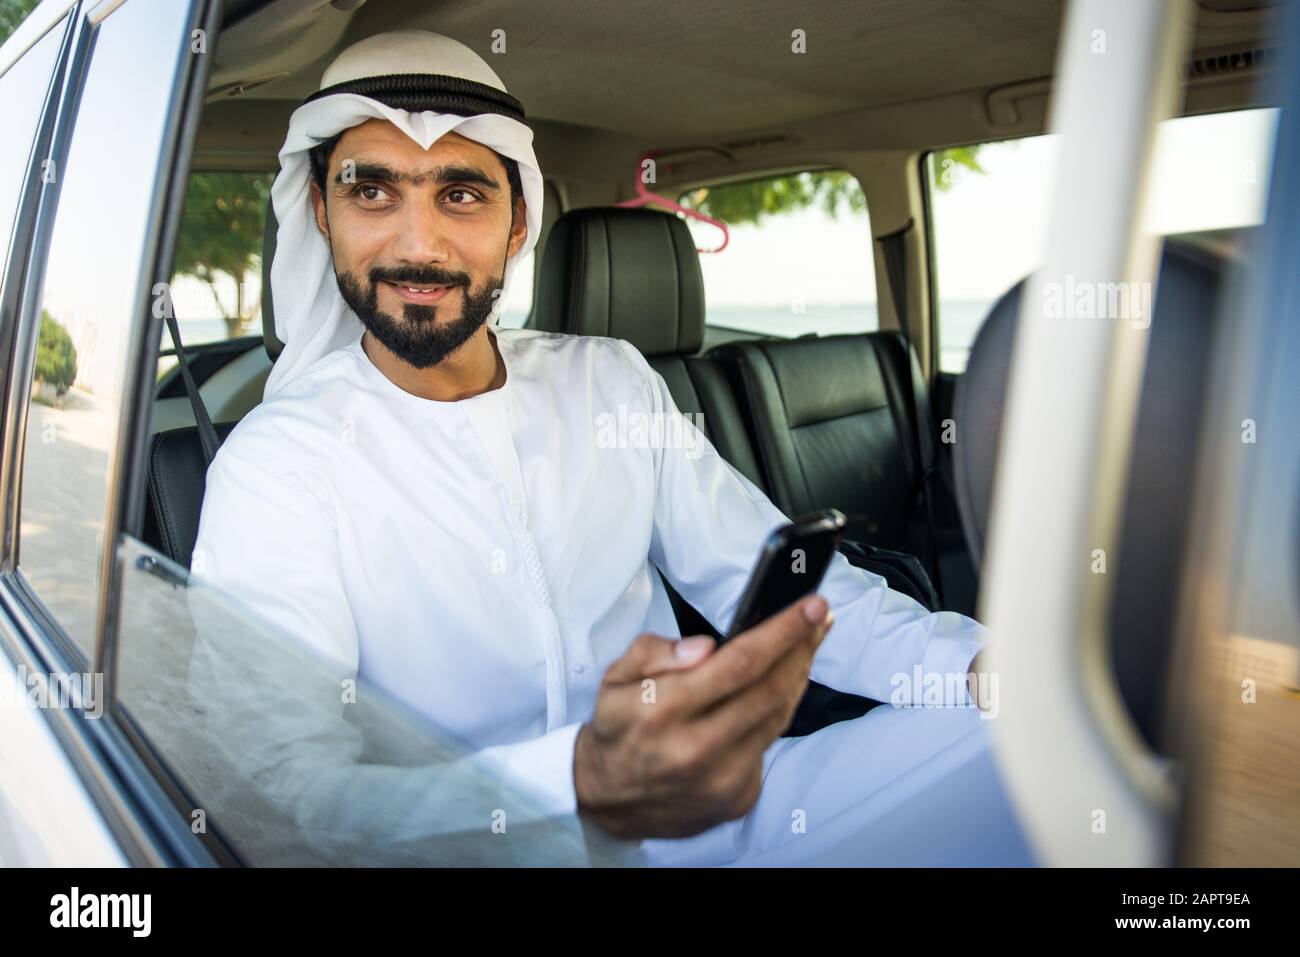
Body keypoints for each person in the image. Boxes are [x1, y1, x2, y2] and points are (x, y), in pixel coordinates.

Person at [190, 29, 1033, 866]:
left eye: (461, 195)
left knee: (1050, 737)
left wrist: (969, 665)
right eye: (372, 192)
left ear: (518, 221)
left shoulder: (609, 383)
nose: (419, 245)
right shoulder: (278, 467)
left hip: (721, 813)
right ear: (319, 212)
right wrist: (581, 776)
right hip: (462, 855)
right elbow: (282, 791)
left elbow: (779, 583)